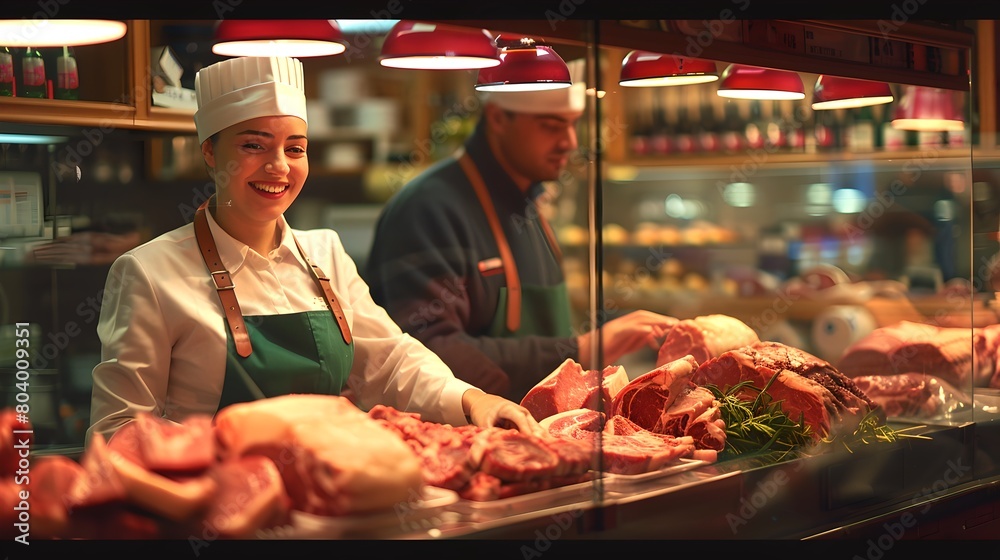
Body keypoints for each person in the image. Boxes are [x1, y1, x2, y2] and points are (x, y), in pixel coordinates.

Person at [87, 56, 542, 445]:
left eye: (295, 148)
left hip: (326, 498)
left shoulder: (325, 252)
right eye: (253, 145)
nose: (279, 166)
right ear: (210, 151)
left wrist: (473, 400)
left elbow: (389, 359)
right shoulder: (147, 271)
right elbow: (118, 430)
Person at [365, 70, 676, 403]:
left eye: (573, 124)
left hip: (544, 428)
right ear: (498, 118)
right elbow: (424, 352)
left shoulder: (529, 200)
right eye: (551, 126)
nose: (570, 142)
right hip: (466, 440)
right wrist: (579, 350)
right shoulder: (427, 208)